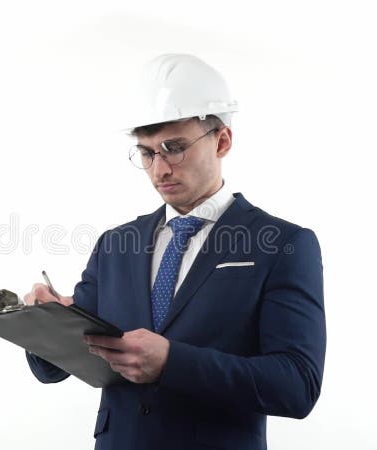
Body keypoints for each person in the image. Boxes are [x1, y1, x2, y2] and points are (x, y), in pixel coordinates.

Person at [23, 53, 326, 450]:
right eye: (147, 152)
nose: (159, 170)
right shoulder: (116, 244)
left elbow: (297, 384)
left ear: (223, 141)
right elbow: (58, 368)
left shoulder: (283, 244)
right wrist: (45, 325)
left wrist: (172, 363)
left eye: (174, 147)